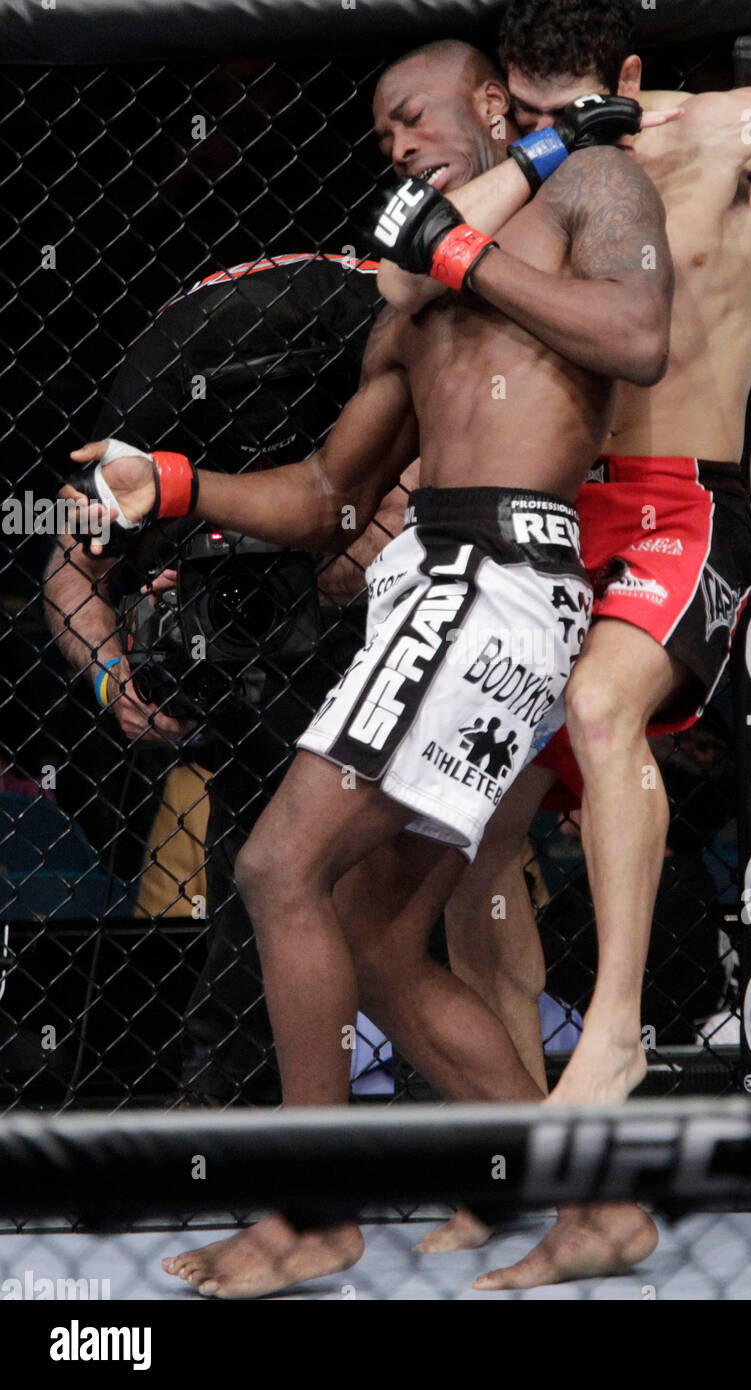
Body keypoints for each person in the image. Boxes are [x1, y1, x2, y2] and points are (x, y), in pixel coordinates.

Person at [61, 40, 672, 1296]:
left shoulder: (588, 190)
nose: (393, 143)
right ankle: (592, 1206)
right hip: (433, 588)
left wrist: (460, 252)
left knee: (279, 862)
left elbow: (640, 333)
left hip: (492, 576)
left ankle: (308, 1211)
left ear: (494, 106)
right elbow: (329, 497)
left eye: (413, 117)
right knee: (376, 937)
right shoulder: (410, 311)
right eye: (380, 133)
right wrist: (167, 481)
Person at [371, 0, 751, 1288]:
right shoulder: (511, 185)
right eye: (518, 112)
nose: (542, 133)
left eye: (564, 105)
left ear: (629, 77)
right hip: (547, 517)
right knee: (480, 823)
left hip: (686, 502)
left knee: (597, 710)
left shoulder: (729, 132)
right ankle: (527, 1165)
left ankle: (621, 1025)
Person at [44, 251, 407, 1104]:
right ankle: (245, 1099)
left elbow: (410, 510)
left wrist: (324, 564)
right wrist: (116, 679)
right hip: (261, 679)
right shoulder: (154, 398)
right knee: (265, 863)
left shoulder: (390, 330)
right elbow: (70, 565)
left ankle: (264, 1097)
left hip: (388, 618)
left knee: (326, 875)